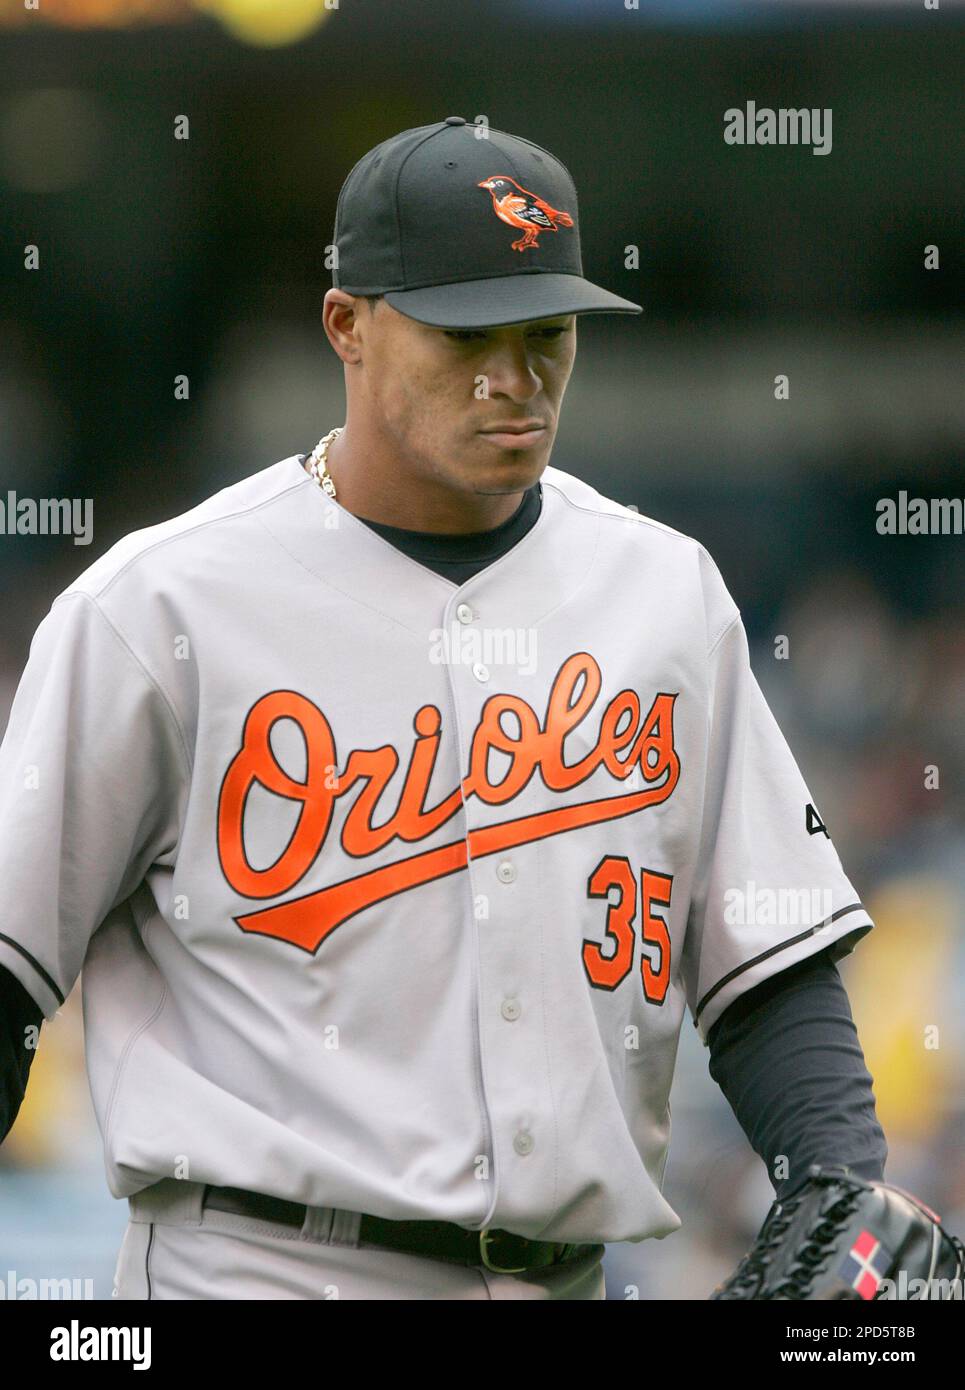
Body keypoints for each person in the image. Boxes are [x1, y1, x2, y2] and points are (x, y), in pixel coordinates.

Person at [0, 118, 886, 1301]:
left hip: (566, 1279)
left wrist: (841, 1179)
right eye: (468, 334)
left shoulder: (665, 595)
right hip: (255, 1270)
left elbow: (766, 965)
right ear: (346, 327)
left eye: (544, 335)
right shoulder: (159, 605)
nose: (513, 380)